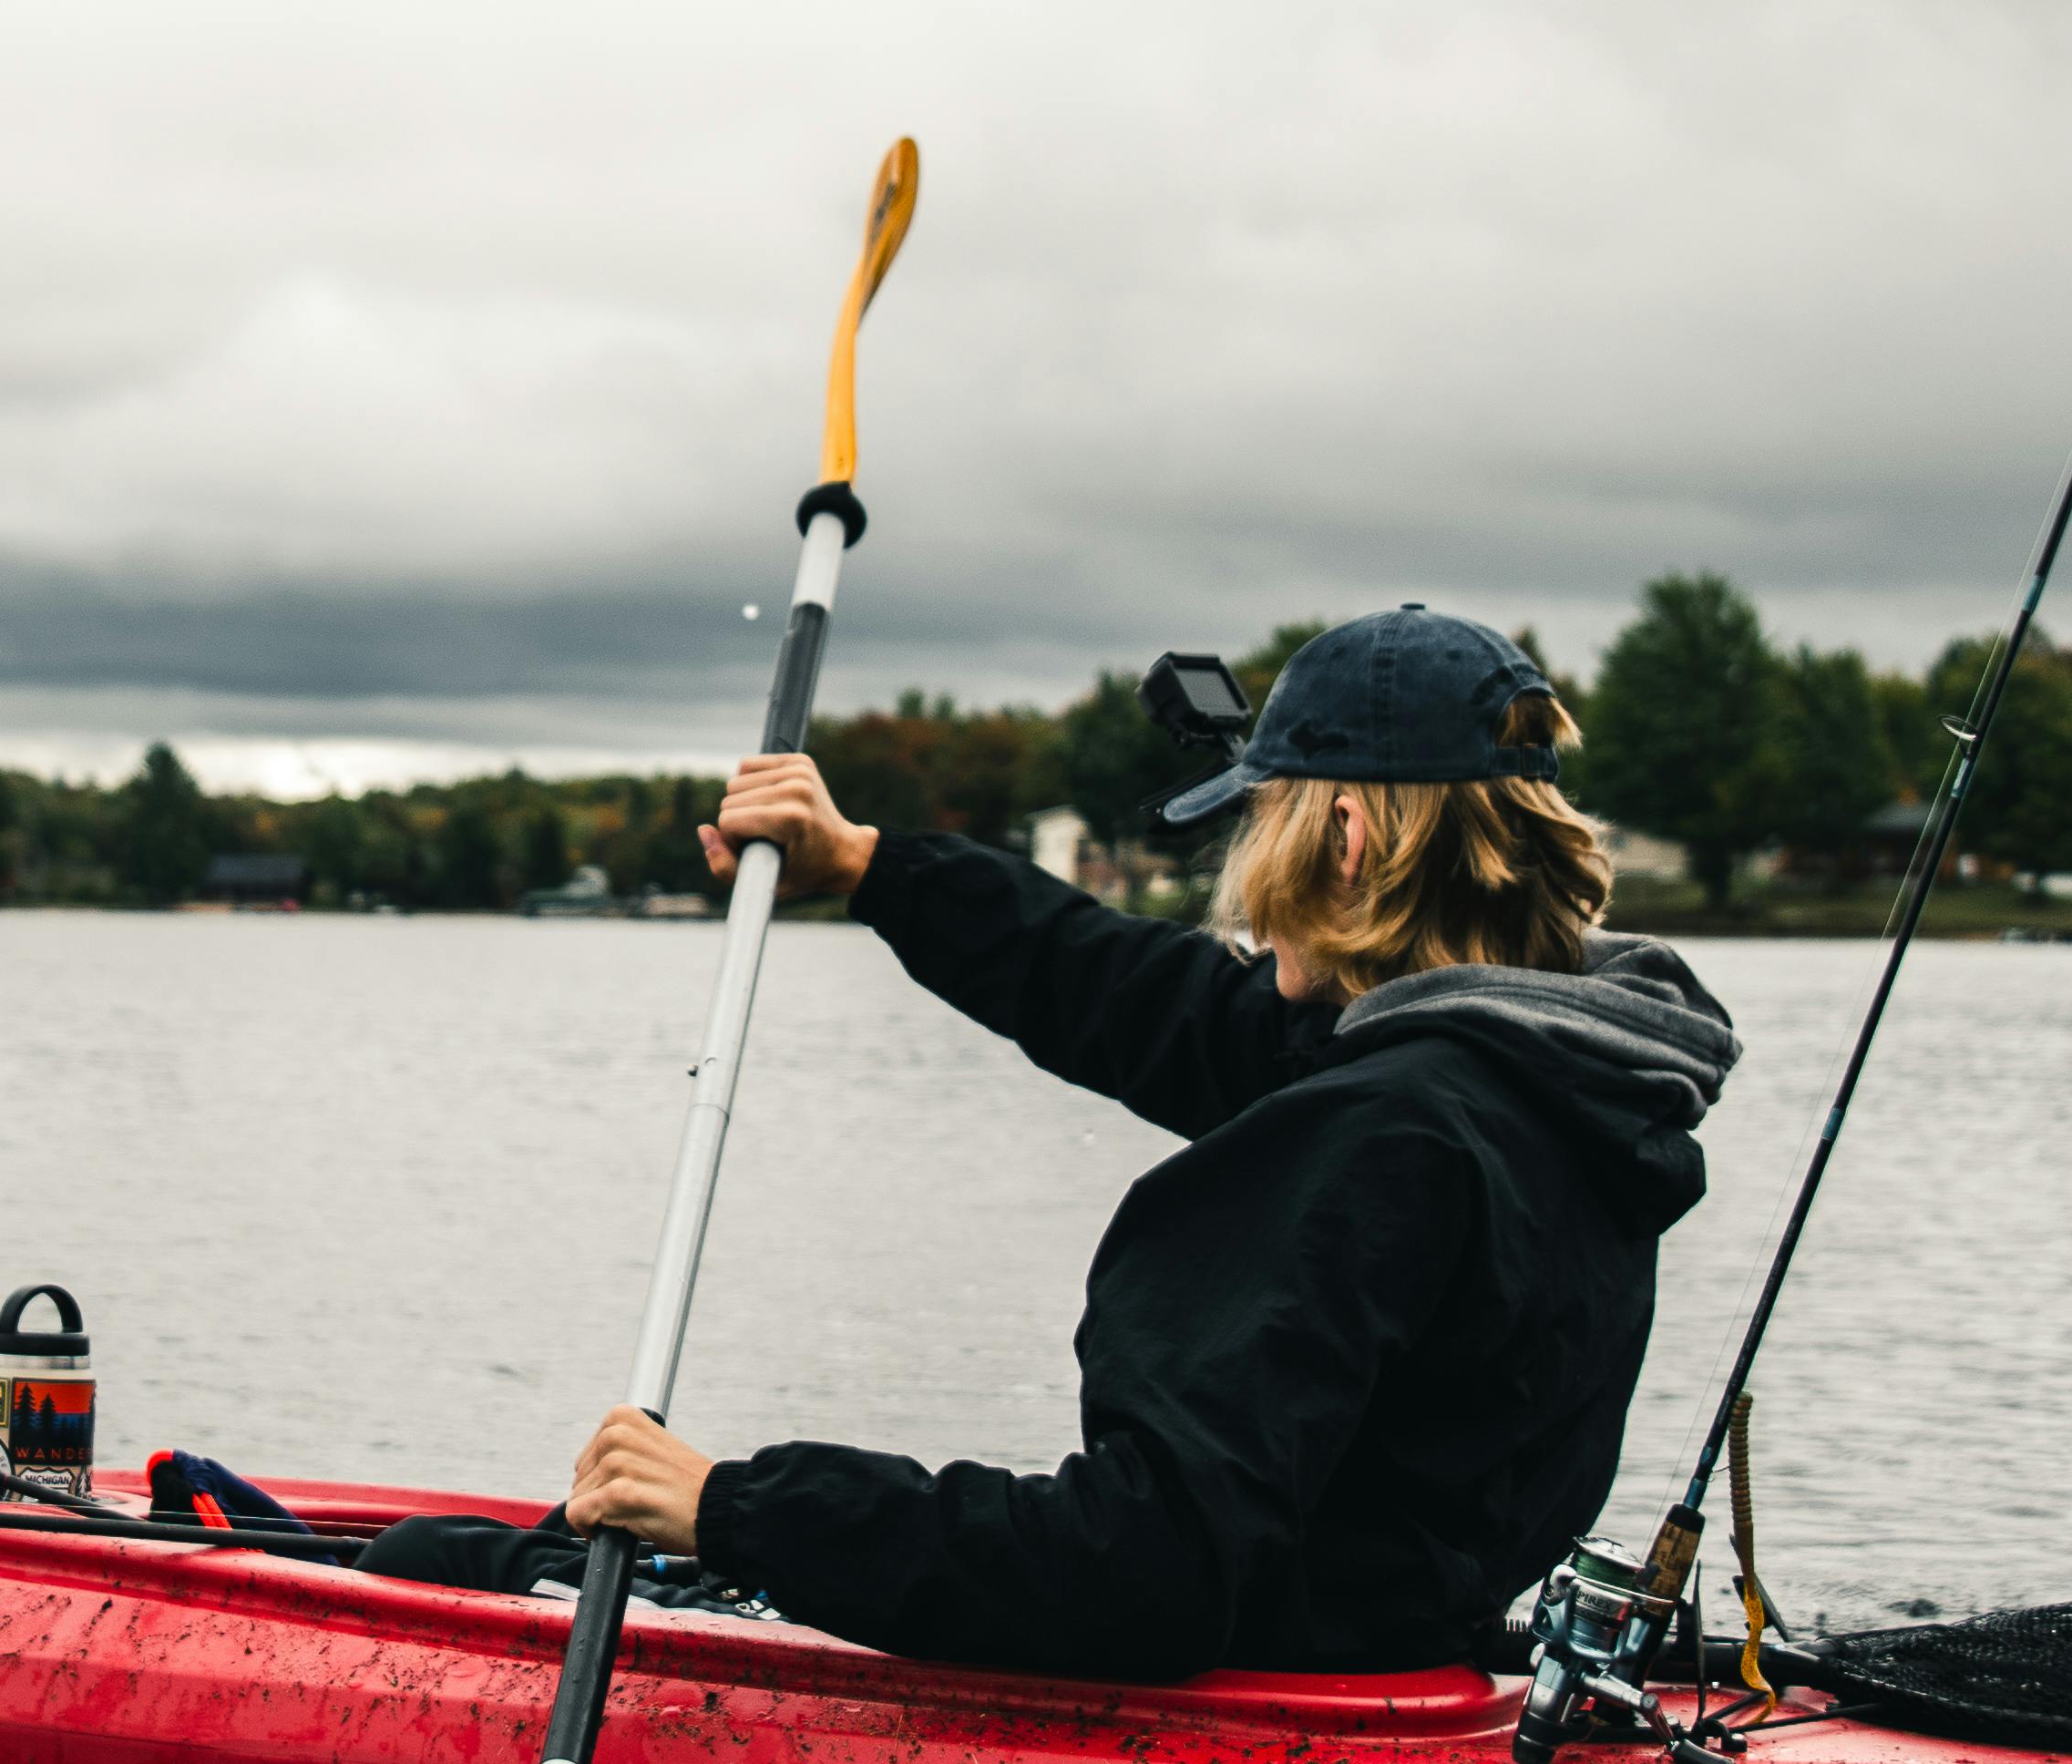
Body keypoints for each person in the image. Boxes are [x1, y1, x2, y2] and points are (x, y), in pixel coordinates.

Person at [555, 605, 1738, 1680]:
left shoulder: (1387, 1129)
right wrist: (875, 869)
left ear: (1343, 836)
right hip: (1398, 1666)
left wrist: (738, 1507)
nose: (1238, 874)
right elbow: (1156, 1005)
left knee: (438, 1559)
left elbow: (1139, 1567)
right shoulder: (1558, 1081)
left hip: (1272, 1713)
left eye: (1260, 821)